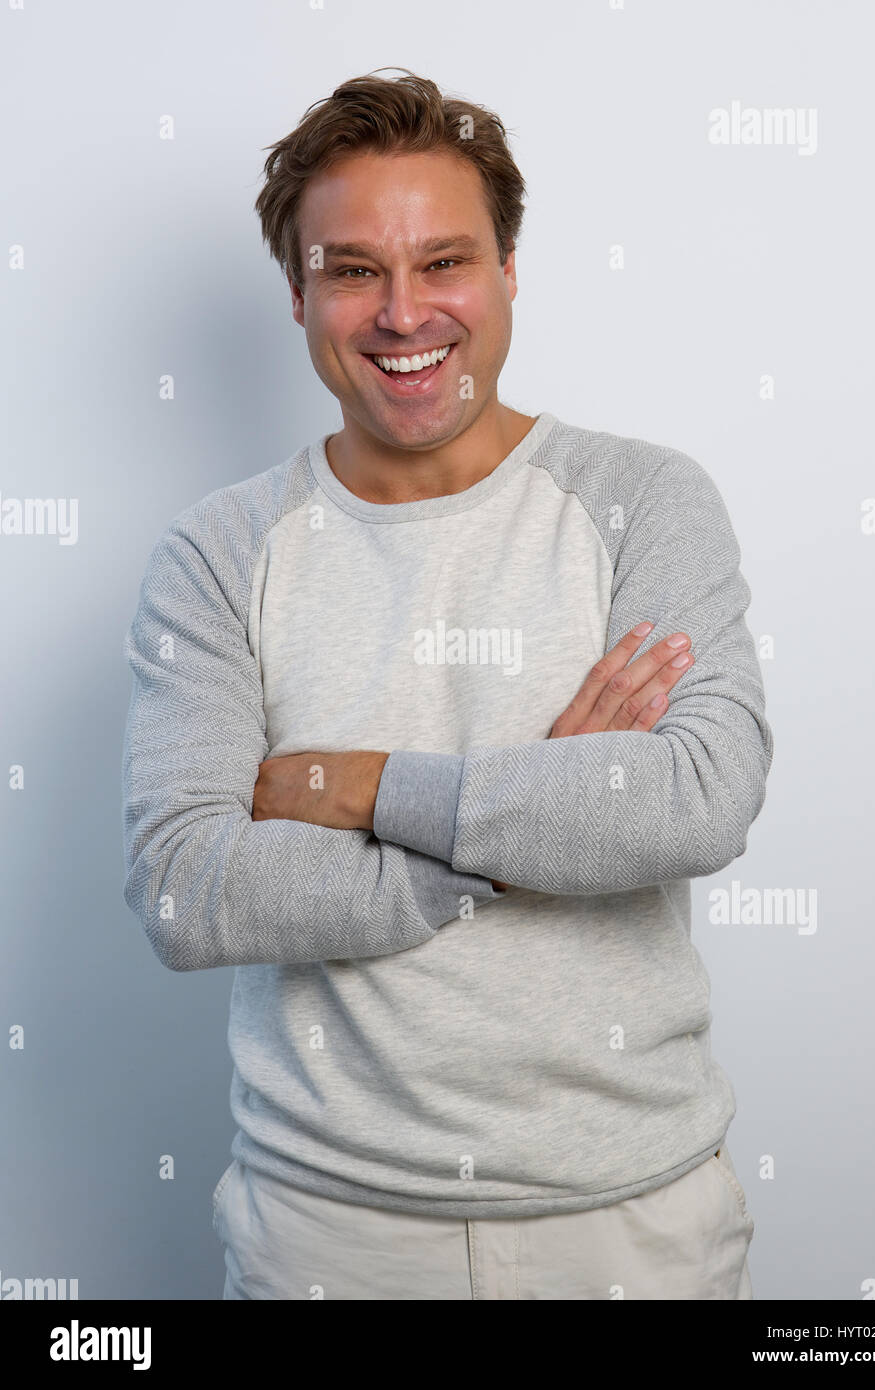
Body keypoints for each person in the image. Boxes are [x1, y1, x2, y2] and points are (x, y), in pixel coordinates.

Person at [121, 68, 772, 1300]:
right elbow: (185, 888)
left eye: (444, 262)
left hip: (631, 1216)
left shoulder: (644, 501)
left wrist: (352, 783)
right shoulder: (219, 552)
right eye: (353, 267)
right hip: (330, 1226)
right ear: (300, 293)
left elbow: (699, 798)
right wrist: (542, 811)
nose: (403, 312)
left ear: (510, 271)